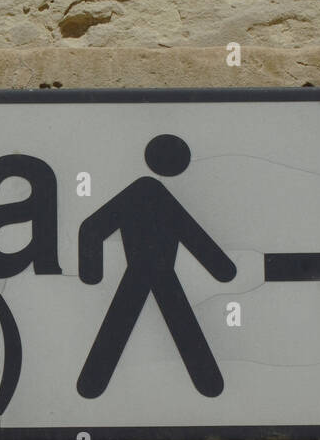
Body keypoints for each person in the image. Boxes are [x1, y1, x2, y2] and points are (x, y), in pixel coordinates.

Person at [77, 134, 236, 399]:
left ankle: (91, 385)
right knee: (178, 321)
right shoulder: (151, 194)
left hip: (150, 273)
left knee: (126, 323)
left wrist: (93, 272)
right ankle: (209, 385)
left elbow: (91, 228)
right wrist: (221, 269)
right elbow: (192, 235)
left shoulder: (143, 193)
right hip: (154, 273)